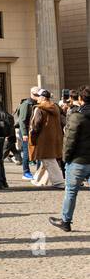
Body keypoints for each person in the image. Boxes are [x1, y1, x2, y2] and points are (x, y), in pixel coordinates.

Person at [50, 86, 90, 232]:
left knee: (71, 191)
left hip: (78, 161)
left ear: (80, 99)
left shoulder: (76, 116)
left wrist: (65, 158)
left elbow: (69, 140)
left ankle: (66, 221)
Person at [28, 88, 65, 188]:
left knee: (49, 160)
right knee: (48, 160)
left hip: (43, 139)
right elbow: (63, 122)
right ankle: (37, 179)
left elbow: (35, 125)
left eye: (38, 96)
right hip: (55, 137)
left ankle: (59, 182)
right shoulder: (56, 107)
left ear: (43, 98)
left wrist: (32, 137)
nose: (37, 98)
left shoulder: (39, 108)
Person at [15, 87, 39, 180]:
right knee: (26, 151)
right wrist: (24, 133)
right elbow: (22, 120)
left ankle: (37, 172)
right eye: (37, 95)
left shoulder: (36, 103)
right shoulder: (26, 104)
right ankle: (26, 172)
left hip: (33, 131)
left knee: (36, 151)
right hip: (26, 131)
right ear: (32, 94)